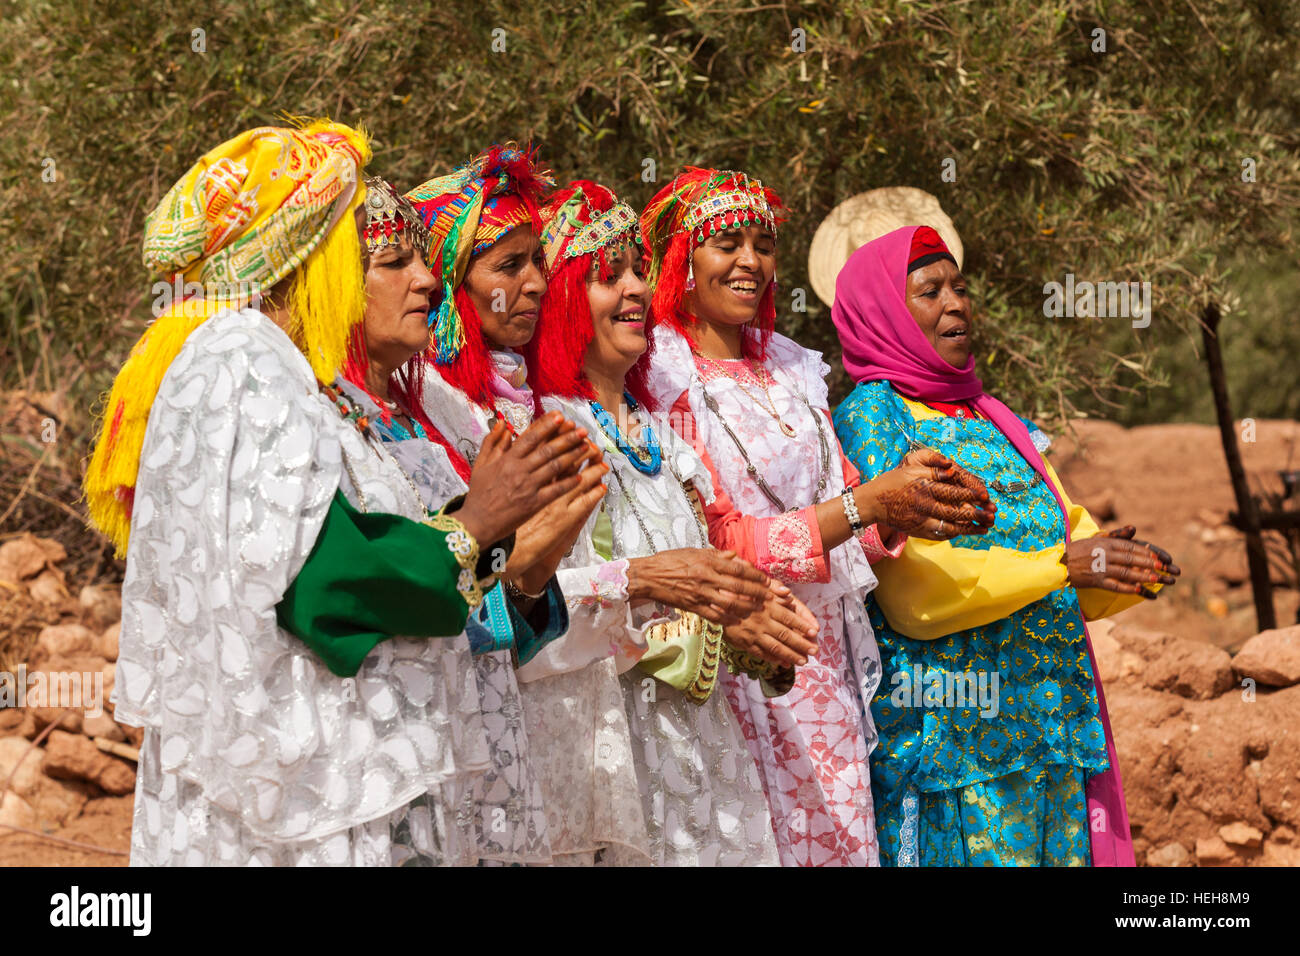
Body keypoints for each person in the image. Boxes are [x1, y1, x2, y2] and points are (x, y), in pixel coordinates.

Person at [85, 122, 588, 865]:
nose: (426, 281)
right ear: (311, 259)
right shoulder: (241, 358)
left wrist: (508, 549)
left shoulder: (289, 372)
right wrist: (477, 524)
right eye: (386, 260)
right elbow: (321, 585)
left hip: (350, 784)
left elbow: (349, 553)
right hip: (303, 802)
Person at [641, 168, 995, 866]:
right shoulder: (658, 376)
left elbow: (846, 496)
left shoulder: (791, 366)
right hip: (738, 653)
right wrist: (866, 505)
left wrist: (907, 509)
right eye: (726, 244)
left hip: (822, 656)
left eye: (763, 243)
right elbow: (712, 539)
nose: (751, 262)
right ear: (681, 261)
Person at [831, 224, 1182, 866]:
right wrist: (1064, 565)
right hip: (954, 745)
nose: (956, 303)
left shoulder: (995, 416)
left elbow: (1069, 537)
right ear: (883, 313)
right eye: (930, 291)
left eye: (960, 288)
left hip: (1049, 730)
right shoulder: (874, 414)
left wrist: (1125, 569)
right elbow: (915, 588)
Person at [522, 181, 821, 864]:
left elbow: (695, 576)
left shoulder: (662, 435)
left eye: (637, 271)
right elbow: (539, 620)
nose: (634, 290)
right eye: (606, 277)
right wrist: (706, 618)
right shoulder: (549, 430)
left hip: (700, 743)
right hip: (612, 748)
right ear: (565, 298)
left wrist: (748, 621)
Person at [406, 144, 616, 863]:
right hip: (465, 717)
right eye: (507, 266)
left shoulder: (536, 405)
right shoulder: (431, 414)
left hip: (558, 713)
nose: (534, 284)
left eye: (538, 263)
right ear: (446, 281)